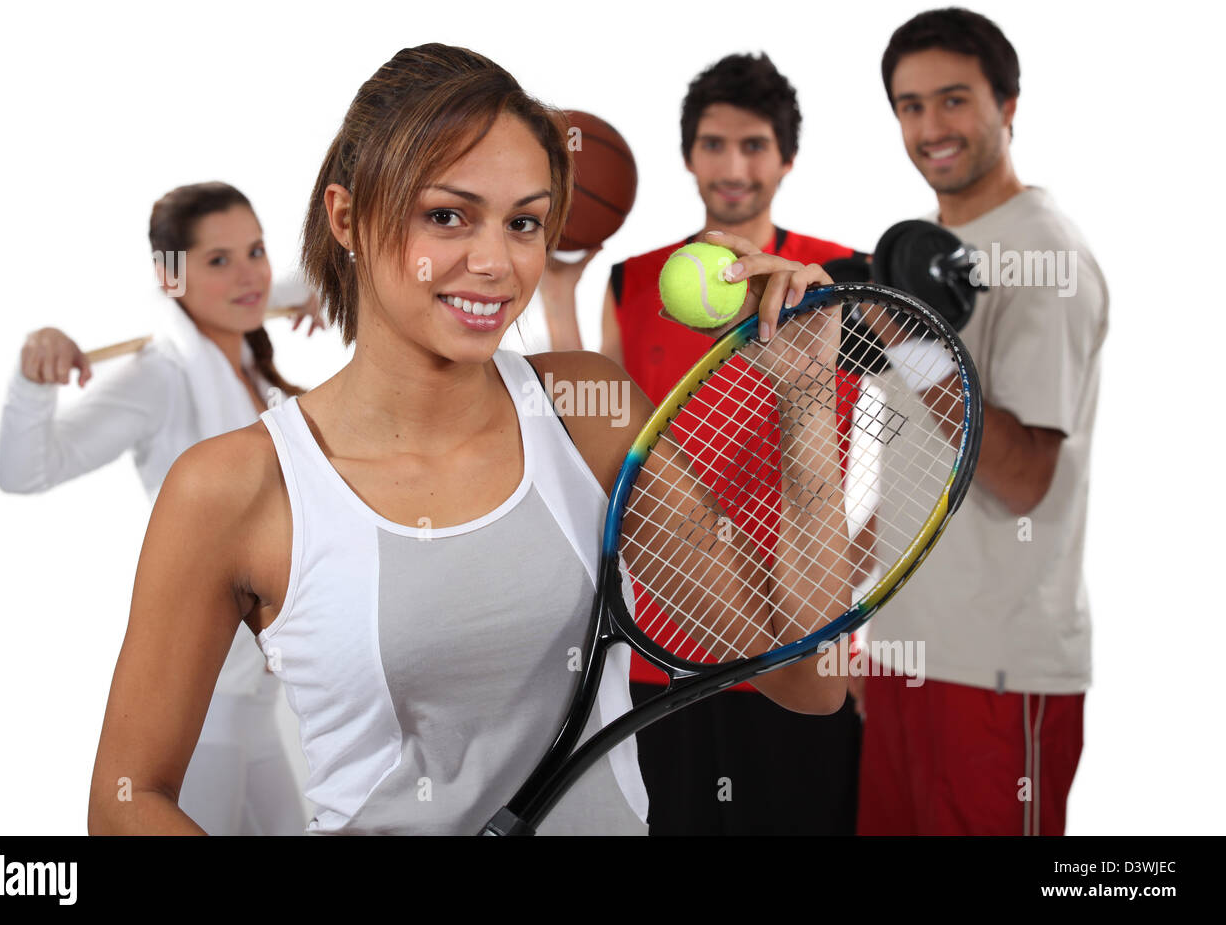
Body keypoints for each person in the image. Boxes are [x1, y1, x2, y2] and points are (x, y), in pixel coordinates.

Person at [85, 43, 848, 836]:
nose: (494, 263)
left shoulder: (585, 412)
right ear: (346, 216)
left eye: (523, 222)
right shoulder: (235, 486)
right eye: (446, 215)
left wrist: (805, 398)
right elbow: (125, 799)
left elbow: (808, 678)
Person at [544, 52, 865, 834]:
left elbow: (929, 423)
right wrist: (559, 290)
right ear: (688, 155)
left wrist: (866, 578)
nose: (732, 165)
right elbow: (602, 442)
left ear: (785, 158)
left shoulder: (838, 279)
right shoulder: (634, 279)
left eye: (753, 145)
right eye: (714, 144)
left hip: (802, 628)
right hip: (666, 648)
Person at [0, 181, 322, 835]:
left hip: (260, 698)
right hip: (203, 708)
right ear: (170, 278)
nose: (249, 275)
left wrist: (308, 289)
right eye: (218, 261)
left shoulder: (247, 363)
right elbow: (24, 471)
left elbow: (275, 286)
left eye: (255, 250)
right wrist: (34, 376)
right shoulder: (162, 376)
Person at [856, 8, 1108, 835]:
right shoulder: (921, 253)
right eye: (910, 105)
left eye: (954, 100)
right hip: (901, 656)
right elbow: (918, 465)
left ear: (1007, 104)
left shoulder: (1048, 255)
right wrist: (868, 612)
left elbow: (1024, 479)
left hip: (994, 670)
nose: (932, 127)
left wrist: (923, 351)